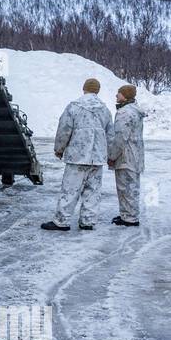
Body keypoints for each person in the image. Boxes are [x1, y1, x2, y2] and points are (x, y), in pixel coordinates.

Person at [42, 77, 113, 231]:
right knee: (92, 191)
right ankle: (87, 221)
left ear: (84, 88)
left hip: (77, 156)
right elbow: (110, 135)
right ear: (97, 91)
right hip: (97, 159)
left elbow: (64, 129)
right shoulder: (105, 110)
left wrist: (59, 149)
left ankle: (62, 221)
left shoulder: (74, 107)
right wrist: (109, 155)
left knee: (70, 189)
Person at [107, 84, 146, 227]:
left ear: (126, 95)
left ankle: (130, 218)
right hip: (134, 155)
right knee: (130, 187)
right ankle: (127, 215)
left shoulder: (125, 113)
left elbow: (120, 137)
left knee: (126, 188)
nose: (116, 95)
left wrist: (112, 156)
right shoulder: (134, 111)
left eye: (119, 93)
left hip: (126, 156)